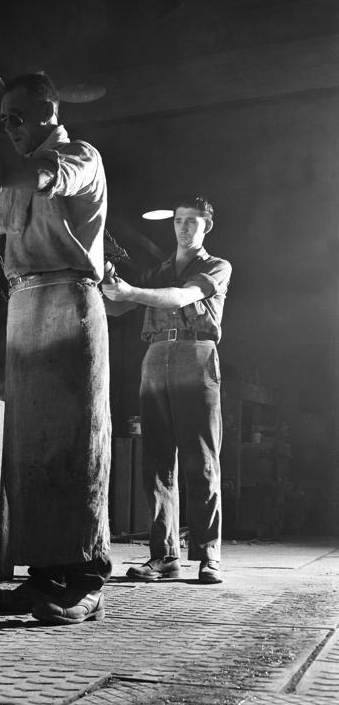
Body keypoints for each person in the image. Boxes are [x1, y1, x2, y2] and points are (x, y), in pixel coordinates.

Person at [0, 72, 111, 625]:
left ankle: (86, 581)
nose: (7, 127)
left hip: (69, 300)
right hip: (25, 303)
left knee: (76, 441)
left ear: (48, 111)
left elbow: (39, 176)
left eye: (16, 117)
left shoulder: (78, 156)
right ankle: (43, 577)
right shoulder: (17, 172)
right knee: (30, 445)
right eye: (1, 119)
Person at [102, 196, 231, 584]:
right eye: (179, 220)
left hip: (195, 355)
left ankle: (209, 556)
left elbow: (181, 297)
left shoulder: (216, 267)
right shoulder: (156, 270)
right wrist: (106, 280)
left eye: (193, 221)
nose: (184, 227)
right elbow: (114, 307)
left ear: (207, 226)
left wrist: (128, 292)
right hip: (156, 357)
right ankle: (163, 557)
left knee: (202, 460)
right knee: (156, 461)